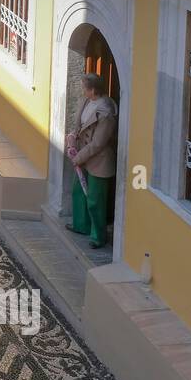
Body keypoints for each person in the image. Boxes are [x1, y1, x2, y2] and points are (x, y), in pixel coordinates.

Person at [65, 74, 118, 249]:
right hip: (82, 154)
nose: (82, 91)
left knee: (95, 200)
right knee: (78, 191)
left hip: (99, 161)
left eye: (84, 88)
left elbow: (98, 143)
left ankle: (98, 236)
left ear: (93, 90)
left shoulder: (106, 112)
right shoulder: (87, 101)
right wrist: (72, 137)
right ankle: (81, 225)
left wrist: (78, 158)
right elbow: (80, 126)